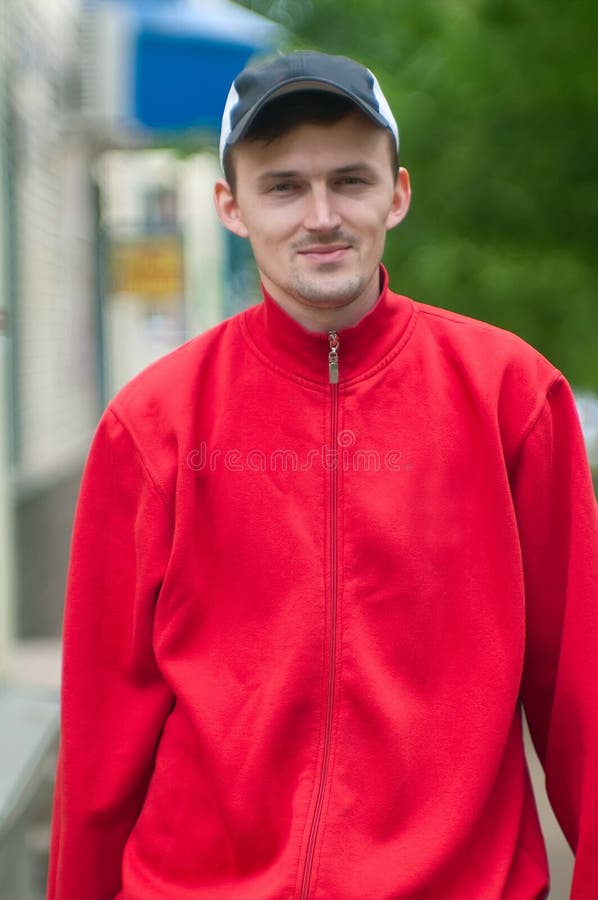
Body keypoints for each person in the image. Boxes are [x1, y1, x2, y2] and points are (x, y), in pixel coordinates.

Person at [48, 51, 598, 900]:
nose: (321, 216)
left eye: (350, 179)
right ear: (231, 206)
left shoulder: (509, 398)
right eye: (283, 186)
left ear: (397, 193)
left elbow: (582, 700)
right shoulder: (152, 426)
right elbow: (100, 740)